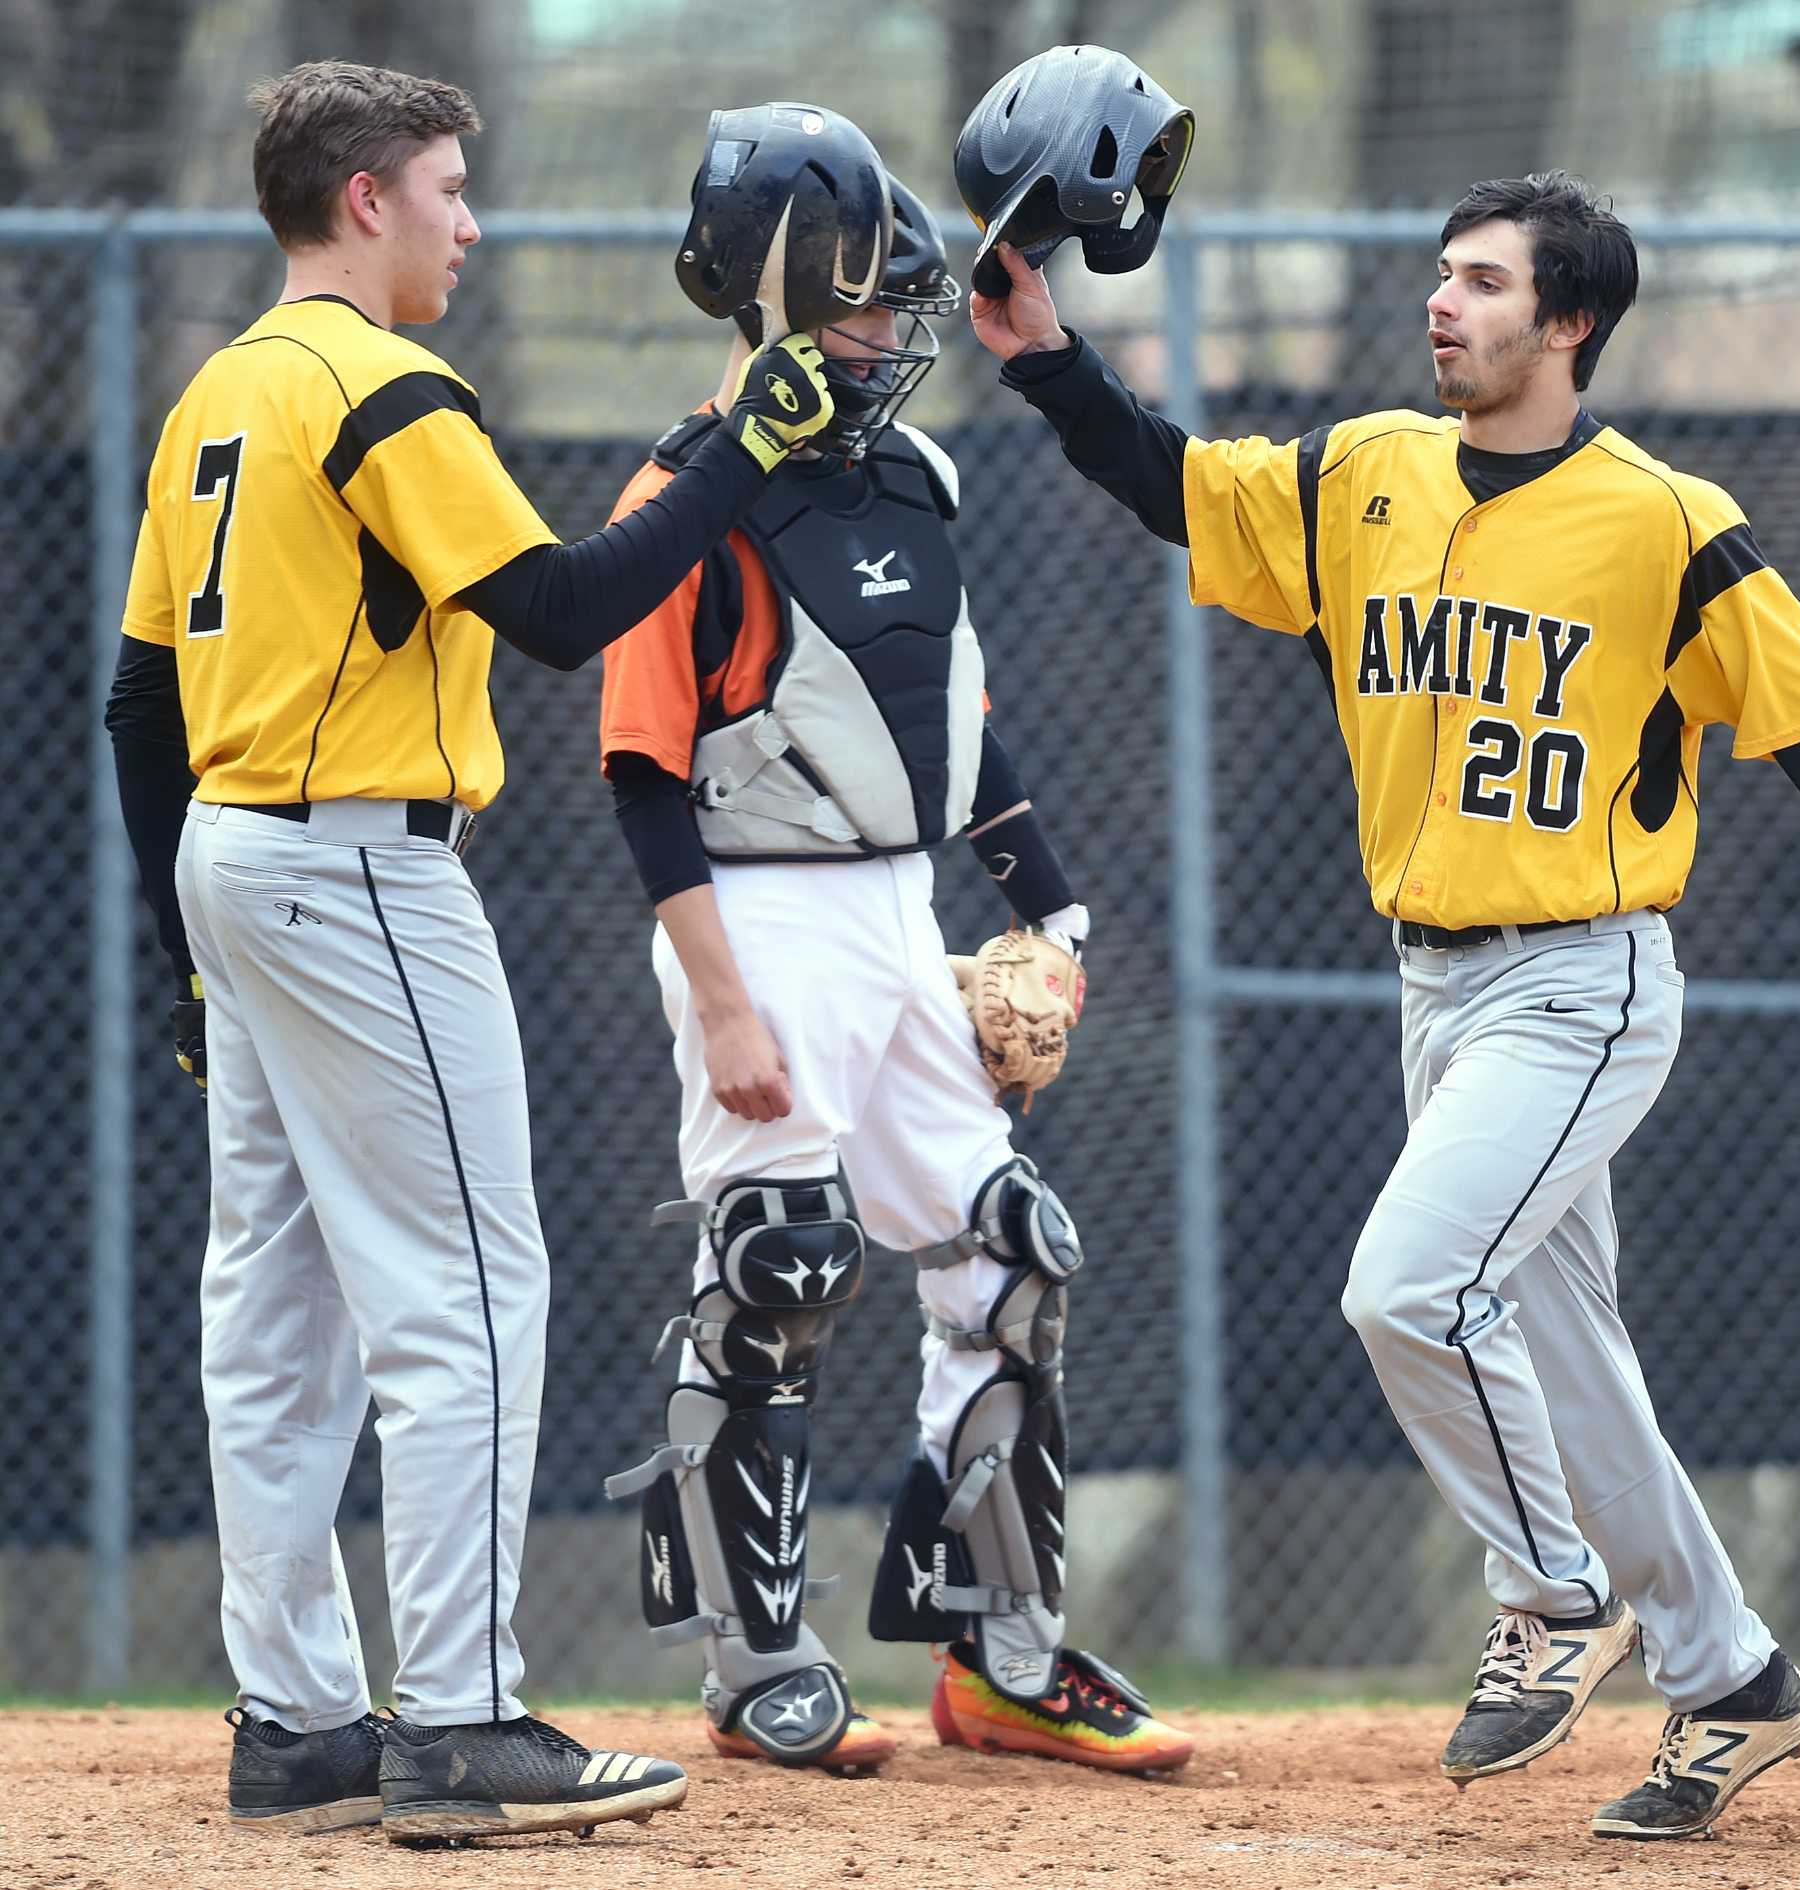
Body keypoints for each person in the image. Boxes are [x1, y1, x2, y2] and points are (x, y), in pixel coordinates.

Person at [970, 171, 1800, 1839]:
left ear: (1569, 321)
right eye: (1442, 274)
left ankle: (1552, 1589)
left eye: (1485, 282)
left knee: (1410, 1288)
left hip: (1580, 978)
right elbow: (1180, 485)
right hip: (1431, 986)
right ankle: (1731, 1672)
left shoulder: (1662, 517)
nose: (1444, 303)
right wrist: (1044, 356)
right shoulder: (1365, 470)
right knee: (1577, 1361)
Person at [101, 60, 838, 1844]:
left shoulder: (221, 391)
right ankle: (459, 1719)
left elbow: (139, 705)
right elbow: (567, 611)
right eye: (443, 186)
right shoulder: (376, 379)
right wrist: (748, 437)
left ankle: (296, 1718)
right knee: (471, 1299)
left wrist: (184, 959)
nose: (467, 220)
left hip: (233, 857)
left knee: (270, 1314)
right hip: (359, 866)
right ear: (364, 202)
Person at [596, 107, 1194, 1777]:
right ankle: (751, 1659)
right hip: (749, 904)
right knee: (779, 1261)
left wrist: (1049, 907)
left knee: (1012, 1249)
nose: (892, 334)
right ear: (778, 298)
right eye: (861, 304)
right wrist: (719, 1000)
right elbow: (642, 781)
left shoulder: (912, 476)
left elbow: (955, 724)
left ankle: (997, 1657)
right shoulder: (685, 496)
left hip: (895, 902)